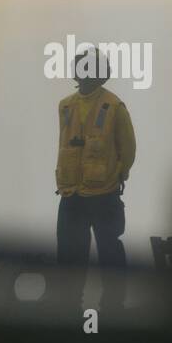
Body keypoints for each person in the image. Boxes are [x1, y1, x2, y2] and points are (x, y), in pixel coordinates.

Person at [54, 49, 136, 315]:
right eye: (82, 67)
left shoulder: (114, 106)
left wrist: (117, 176)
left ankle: (113, 309)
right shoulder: (65, 106)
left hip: (104, 195)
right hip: (71, 195)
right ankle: (68, 310)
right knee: (69, 257)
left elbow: (128, 149)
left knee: (110, 254)